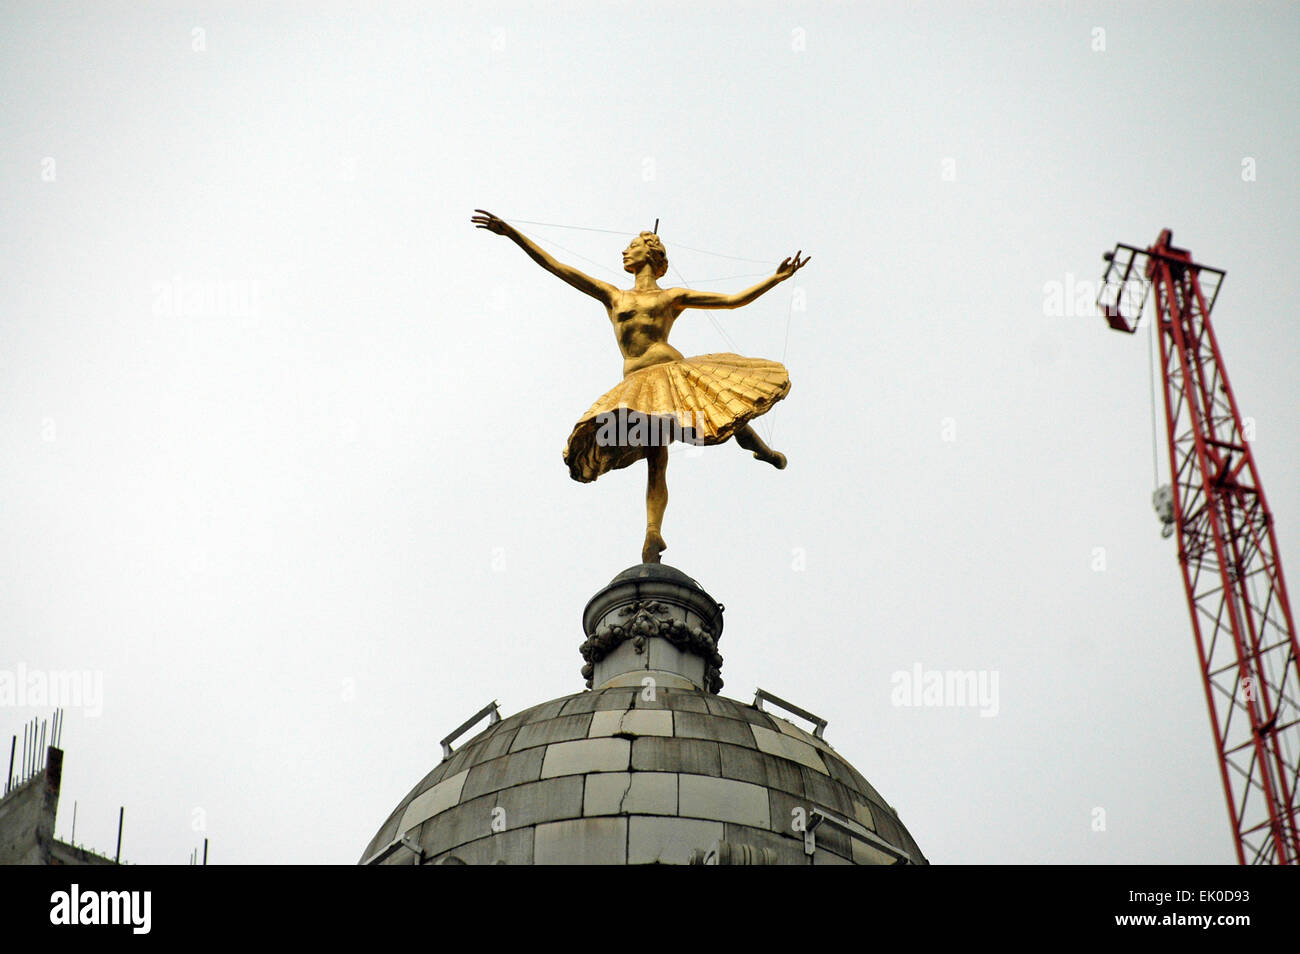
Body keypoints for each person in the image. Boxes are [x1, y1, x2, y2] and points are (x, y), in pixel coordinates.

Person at [472, 210, 808, 563]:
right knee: (656, 459)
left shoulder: (670, 298)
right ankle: (653, 533)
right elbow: (558, 268)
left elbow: (731, 301)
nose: (624, 252)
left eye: (631, 246)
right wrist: (512, 233)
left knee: (718, 408)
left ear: (649, 254)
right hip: (637, 383)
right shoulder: (613, 296)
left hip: (671, 370)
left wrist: (776, 278)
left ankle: (764, 452)